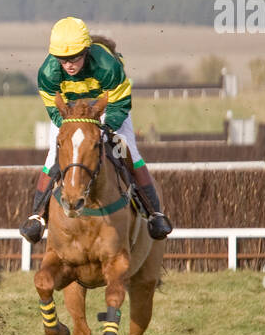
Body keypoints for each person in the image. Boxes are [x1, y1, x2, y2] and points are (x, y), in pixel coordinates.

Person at [19, 17, 173, 243]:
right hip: (70, 113)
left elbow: (120, 104)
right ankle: (37, 216)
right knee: (54, 153)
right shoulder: (47, 72)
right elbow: (54, 110)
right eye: (63, 60)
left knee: (127, 150)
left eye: (74, 58)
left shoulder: (106, 66)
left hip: (107, 109)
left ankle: (154, 214)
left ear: (86, 51)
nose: (69, 65)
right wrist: (72, 129)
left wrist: (102, 128)